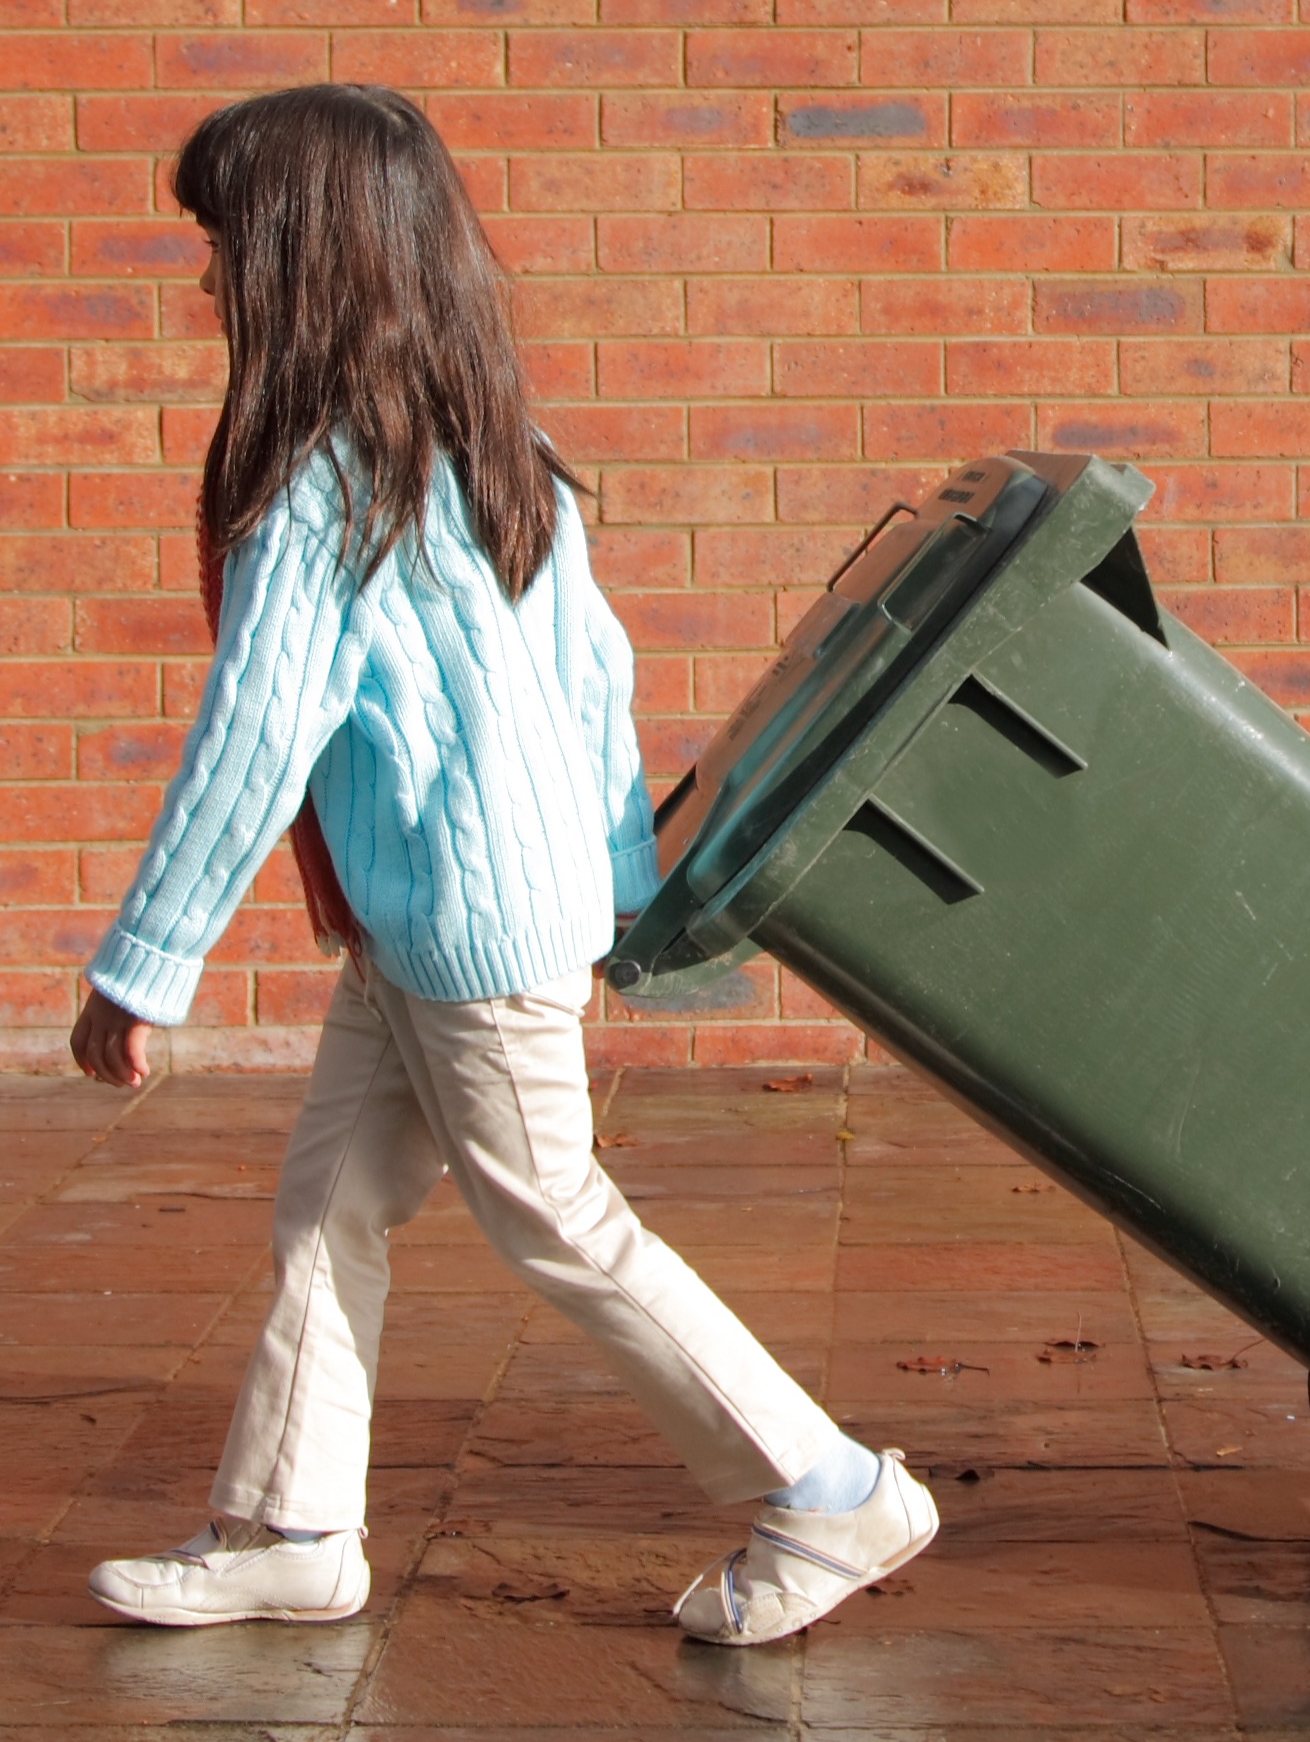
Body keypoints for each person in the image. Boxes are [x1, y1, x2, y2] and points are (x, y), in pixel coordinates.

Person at [64, 84, 935, 1648]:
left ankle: (825, 1486)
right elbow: (596, 670)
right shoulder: (488, 444)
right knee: (329, 1203)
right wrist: (615, 874)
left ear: (297, 265)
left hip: (461, 933)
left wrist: (142, 966)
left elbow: (253, 739)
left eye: (219, 245)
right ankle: (290, 1528)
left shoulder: (324, 488)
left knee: (558, 1217)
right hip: (438, 920)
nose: (202, 279)